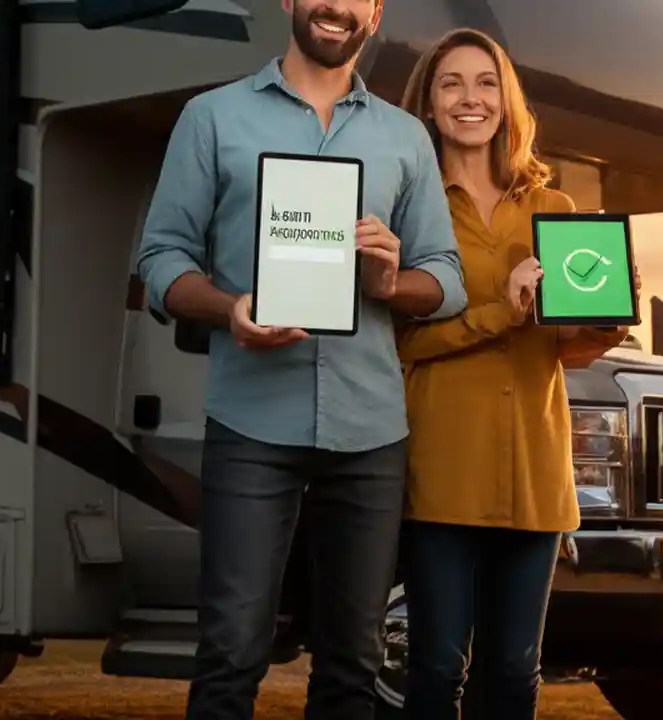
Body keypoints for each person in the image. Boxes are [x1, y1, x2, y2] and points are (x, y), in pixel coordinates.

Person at [135, 1, 469, 718]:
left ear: (375, 13)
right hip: (251, 423)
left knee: (353, 661)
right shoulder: (213, 118)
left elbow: (447, 279)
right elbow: (161, 258)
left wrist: (390, 281)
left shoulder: (405, 137)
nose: (335, 6)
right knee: (230, 653)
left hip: (371, 432)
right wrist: (228, 308)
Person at [395, 28, 641, 720]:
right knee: (438, 666)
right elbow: (402, 345)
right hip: (443, 472)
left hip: (535, 475)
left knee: (514, 673)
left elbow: (560, 351)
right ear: (429, 103)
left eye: (485, 83)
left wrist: (606, 323)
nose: (470, 99)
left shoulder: (555, 211)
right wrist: (499, 313)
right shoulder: (410, 208)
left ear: (507, 102)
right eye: (451, 84)